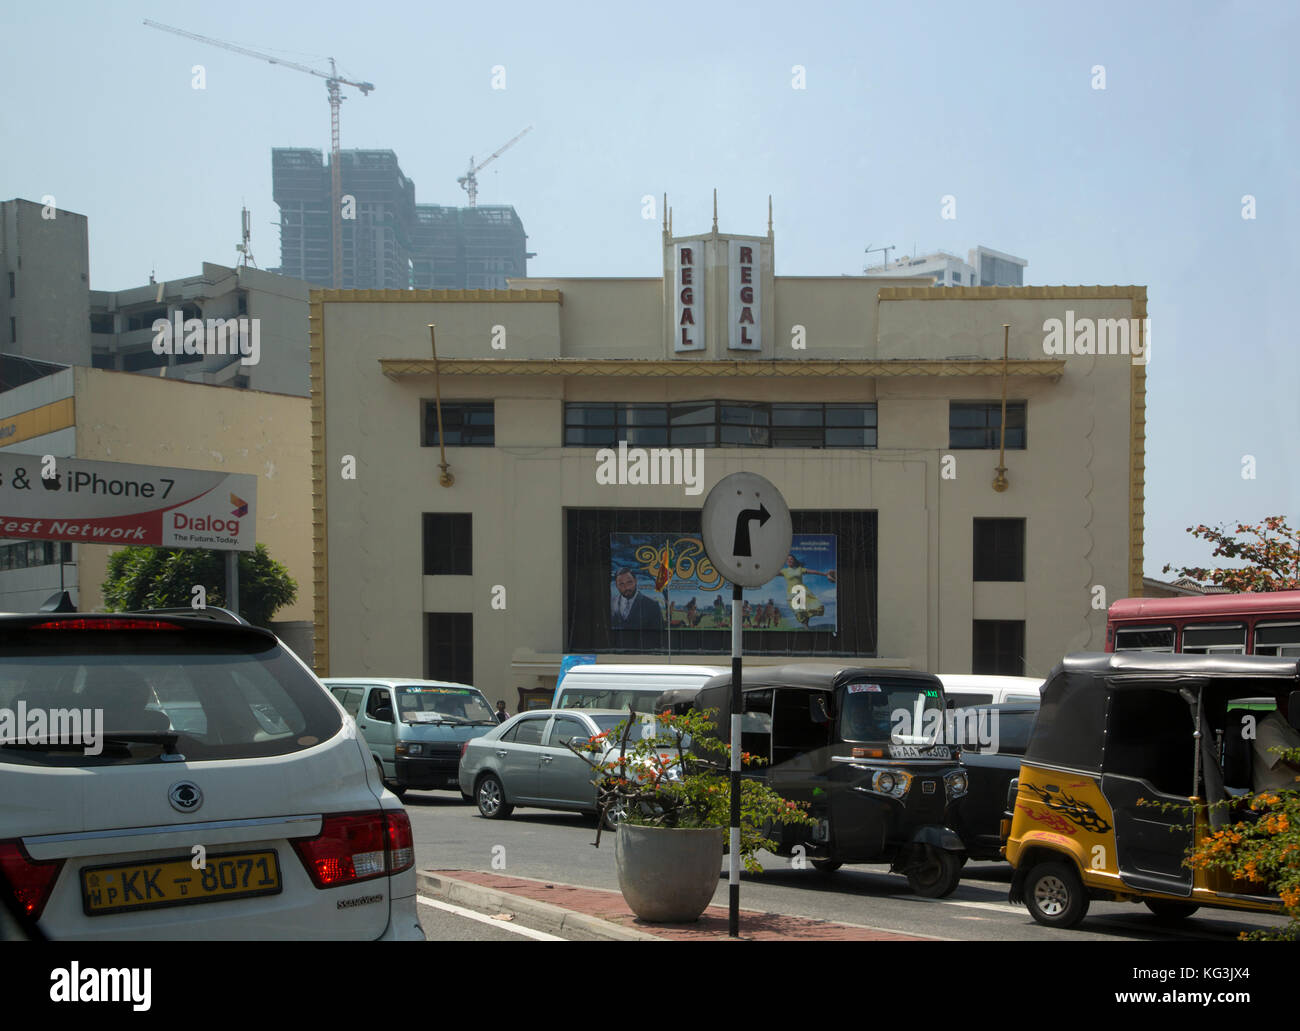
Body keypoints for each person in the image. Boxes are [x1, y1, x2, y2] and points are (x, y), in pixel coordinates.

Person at [1252, 689, 1300, 792]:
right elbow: (1289, 758)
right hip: (1278, 798)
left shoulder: (1293, 726)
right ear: (1281, 701)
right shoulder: (1268, 727)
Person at [779, 553, 834, 627]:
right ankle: (805, 625)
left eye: (791, 559)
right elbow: (771, 574)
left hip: (802, 591)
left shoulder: (800, 569)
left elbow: (814, 572)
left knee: (812, 607)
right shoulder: (784, 571)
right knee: (798, 611)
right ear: (786, 562)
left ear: (794, 561)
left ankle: (806, 626)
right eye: (787, 559)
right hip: (792, 593)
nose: (789, 560)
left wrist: (825, 574)